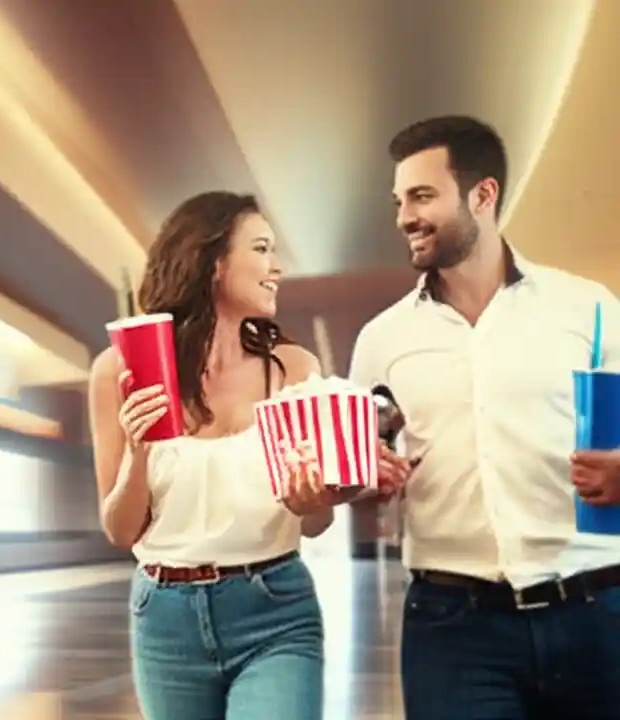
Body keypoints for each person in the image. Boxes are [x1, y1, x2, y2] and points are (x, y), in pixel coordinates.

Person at [350, 115, 620, 719]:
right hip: (453, 630)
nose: (404, 217)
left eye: (422, 196)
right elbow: (358, 474)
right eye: (399, 200)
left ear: (483, 194)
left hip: (596, 613)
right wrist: (368, 481)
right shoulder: (382, 339)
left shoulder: (588, 309)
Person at [88, 191, 361, 720]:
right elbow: (122, 532)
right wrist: (139, 452)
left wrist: (314, 501)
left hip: (276, 609)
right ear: (212, 263)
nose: (276, 267)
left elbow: (317, 522)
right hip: (165, 619)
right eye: (261, 249)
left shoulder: (291, 369)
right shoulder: (118, 373)